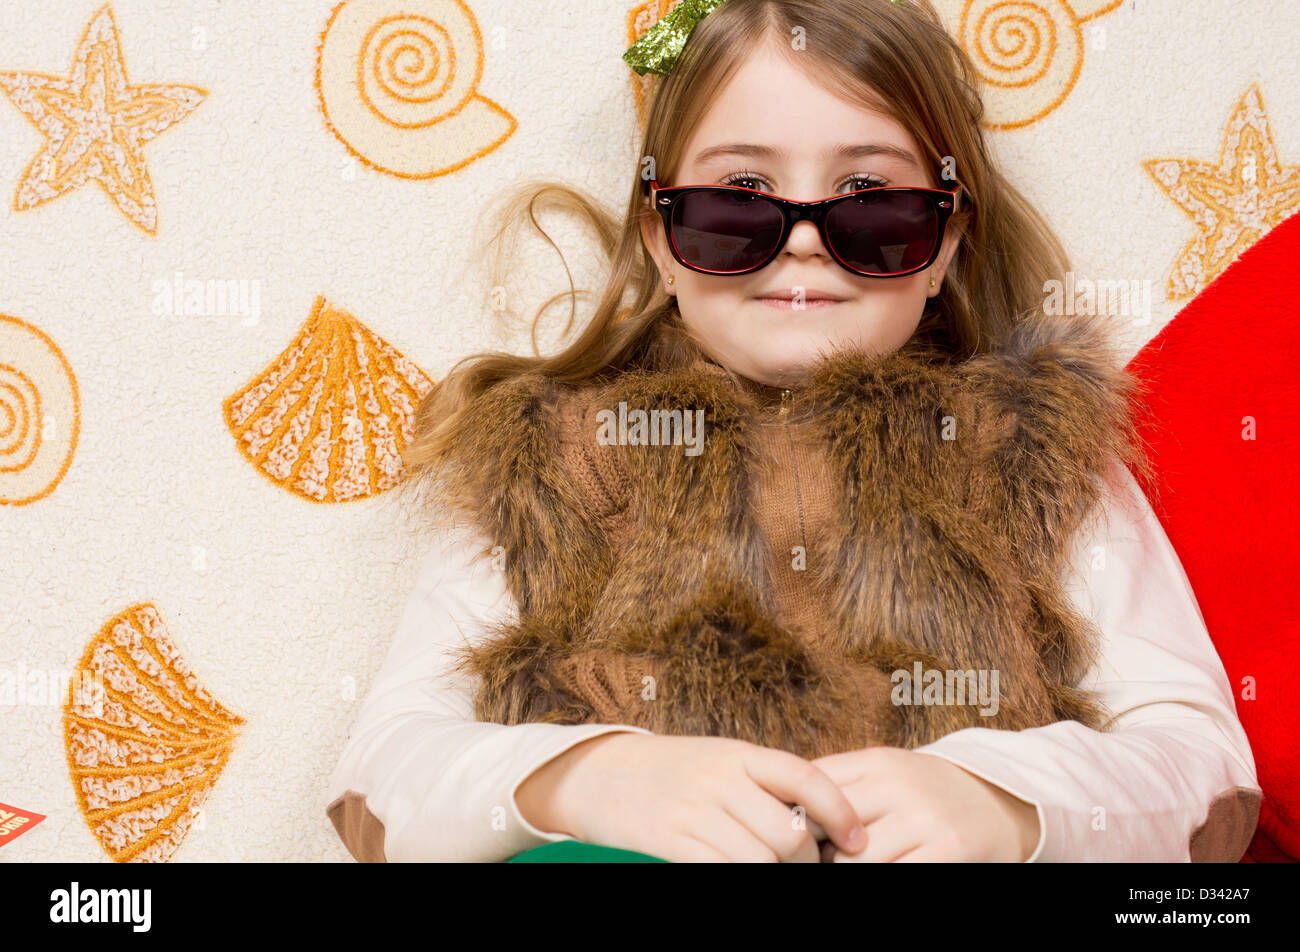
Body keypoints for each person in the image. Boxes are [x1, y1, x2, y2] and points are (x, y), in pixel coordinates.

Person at [325, 0, 1261, 863]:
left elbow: (1206, 768)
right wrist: (586, 779)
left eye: (871, 201)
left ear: (943, 246)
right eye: (738, 200)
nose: (805, 240)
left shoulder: (1032, 451)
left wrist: (1006, 801)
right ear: (660, 241)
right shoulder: (551, 460)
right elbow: (378, 783)